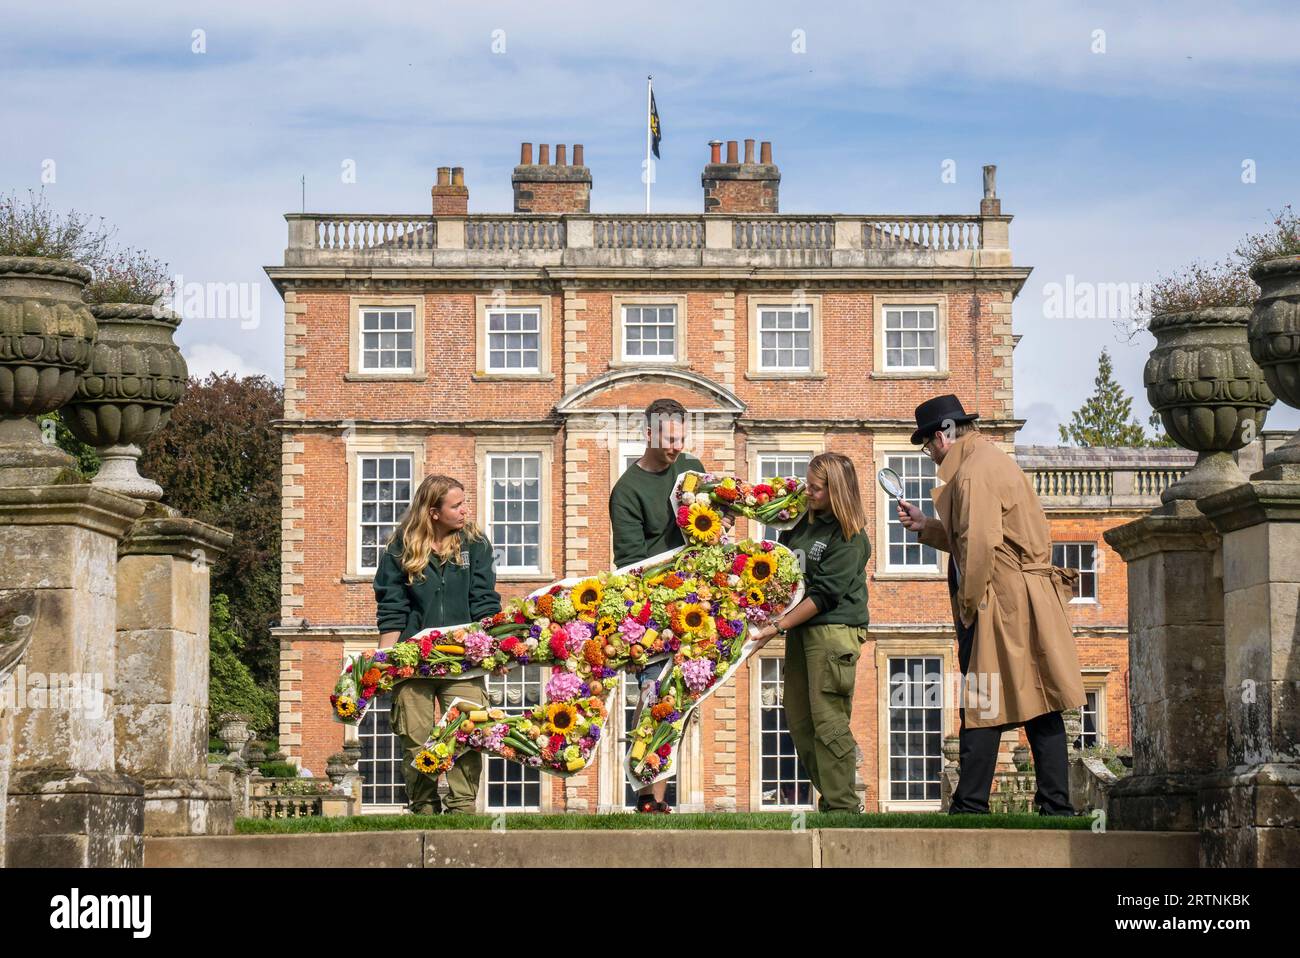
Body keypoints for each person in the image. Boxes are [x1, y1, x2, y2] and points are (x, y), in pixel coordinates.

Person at [896, 394, 1085, 815]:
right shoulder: (983, 461)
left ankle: (972, 804)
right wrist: (929, 527)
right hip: (1019, 596)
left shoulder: (973, 473)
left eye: (928, 444)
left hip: (1002, 600)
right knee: (1038, 700)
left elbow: (979, 546)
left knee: (986, 699)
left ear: (944, 435)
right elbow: (977, 535)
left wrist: (968, 607)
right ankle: (1051, 803)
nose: (929, 454)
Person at [749, 452, 870, 813]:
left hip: (833, 633)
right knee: (800, 721)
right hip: (801, 631)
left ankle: (844, 806)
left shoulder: (850, 536)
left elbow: (824, 595)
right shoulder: (804, 524)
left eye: (816, 488)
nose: (808, 492)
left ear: (837, 491)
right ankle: (834, 799)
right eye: (807, 484)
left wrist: (775, 627)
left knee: (828, 720)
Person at [373, 474, 501, 815]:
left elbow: (485, 601)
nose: (464, 511)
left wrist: (494, 648)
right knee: (415, 736)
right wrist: (385, 660)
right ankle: (424, 807)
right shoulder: (399, 547)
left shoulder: (476, 545)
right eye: (456, 506)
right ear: (433, 512)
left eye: (464, 503)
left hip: (463, 657)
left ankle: (462, 808)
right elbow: (392, 607)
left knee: (467, 732)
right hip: (413, 658)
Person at [609, 397, 707, 813]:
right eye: (668, 439)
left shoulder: (693, 470)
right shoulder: (627, 490)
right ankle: (647, 798)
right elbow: (631, 563)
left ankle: (659, 799)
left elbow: (714, 523)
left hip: (698, 603)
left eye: (680, 439)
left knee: (680, 699)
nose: (674, 448)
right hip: (650, 609)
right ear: (647, 434)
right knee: (652, 694)